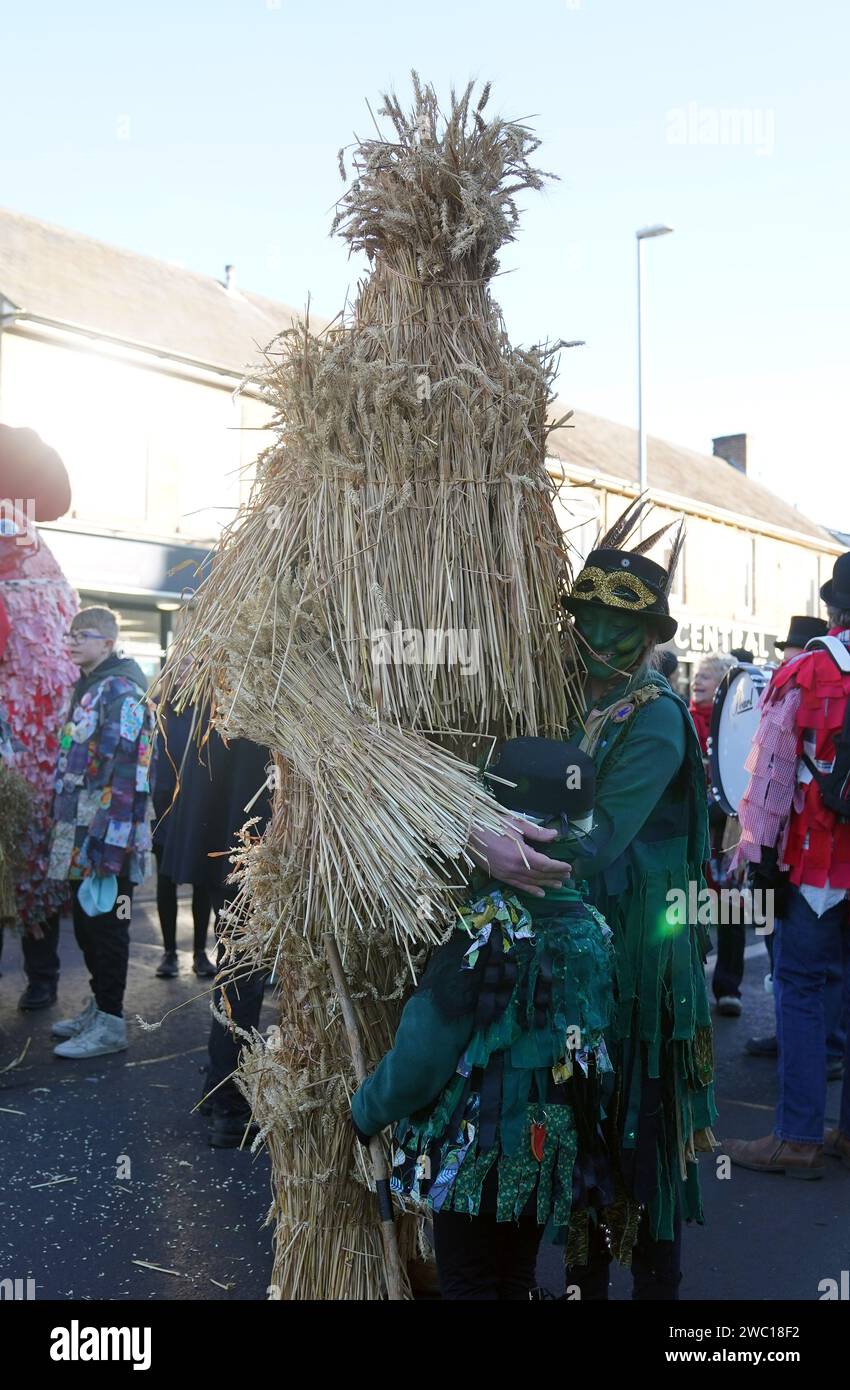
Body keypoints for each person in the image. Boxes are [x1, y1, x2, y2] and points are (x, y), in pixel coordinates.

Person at [473, 497, 716, 1300]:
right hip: (582, 952)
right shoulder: (572, 701)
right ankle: (582, 1289)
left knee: (636, 1149)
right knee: (578, 1143)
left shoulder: (656, 722)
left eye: (625, 633)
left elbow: (597, 838)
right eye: (590, 625)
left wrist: (494, 850)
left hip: (642, 961)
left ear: (653, 640)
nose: (603, 644)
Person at [351, 740, 615, 1300]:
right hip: (547, 1146)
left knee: (468, 1279)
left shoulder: (483, 931)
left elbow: (423, 1055)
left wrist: (368, 1108)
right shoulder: (591, 927)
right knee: (514, 1275)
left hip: (476, 1156)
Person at [726, 553, 850, 1178]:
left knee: (800, 988)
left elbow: (771, 777)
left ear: (833, 608)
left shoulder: (808, 669)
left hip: (818, 864)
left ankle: (797, 1134)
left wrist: (756, 855)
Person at [159, 710, 272, 1147]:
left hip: (221, 845)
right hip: (241, 851)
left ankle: (218, 1088)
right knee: (242, 972)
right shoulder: (256, 698)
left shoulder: (224, 692)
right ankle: (229, 1104)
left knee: (235, 968)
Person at [47, 607, 154, 1058]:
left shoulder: (124, 693)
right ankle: (100, 1007)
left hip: (110, 842)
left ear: (108, 642)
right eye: (68, 635)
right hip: (80, 834)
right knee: (89, 928)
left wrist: (110, 850)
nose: (70, 642)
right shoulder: (88, 687)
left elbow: (130, 773)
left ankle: (111, 1022)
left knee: (111, 926)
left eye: (82, 635)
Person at [0, 488, 78, 1011]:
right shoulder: (47, 573)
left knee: (36, 869)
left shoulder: (35, 574)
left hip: (36, 757)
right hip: (27, 749)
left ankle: (44, 976)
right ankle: (43, 976)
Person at [689, 652, 744, 1017]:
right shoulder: (684, 719)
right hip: (695, 829)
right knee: (688, 908)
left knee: (731, 909)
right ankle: (689, 983)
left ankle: (728, 987)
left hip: (728, 832)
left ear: (723, 682)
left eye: (706, 676)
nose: (697, 682)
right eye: (696, 676)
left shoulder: (738, 724)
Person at [150, 697, 214, 979]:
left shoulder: (207, 708)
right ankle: (169, 953)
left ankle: (200, 953)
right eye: (179, 661)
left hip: (198, 805)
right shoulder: (157, 707)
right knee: (165, 881)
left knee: (201, 880)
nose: (184, 668)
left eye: (189, 662)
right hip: (163, 808)